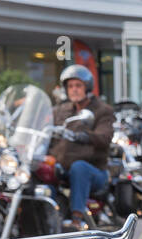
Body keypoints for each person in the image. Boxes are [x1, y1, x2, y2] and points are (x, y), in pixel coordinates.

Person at [47, 64, 114, 230]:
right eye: (70, 86)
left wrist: (86, 136)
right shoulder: (60, 110)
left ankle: (76, 220)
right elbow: (44, 126)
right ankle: (45, 217)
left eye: (78, 85)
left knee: (79, 167)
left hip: (93, 171)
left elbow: (105, 137)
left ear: (87, 87)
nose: (74, 90)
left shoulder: (102, 110)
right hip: (62, 167)